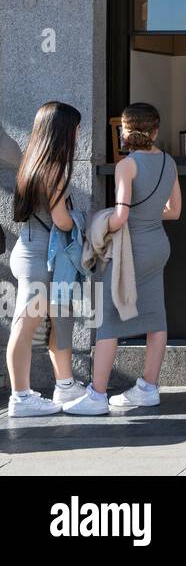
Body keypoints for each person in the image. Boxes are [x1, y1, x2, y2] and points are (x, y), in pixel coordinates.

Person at [64, 103, 182, 415]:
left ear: (125, 132)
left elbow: (120, 216)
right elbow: (175, 211)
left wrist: (98, 221)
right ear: (155, 130)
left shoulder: (126, 166)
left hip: (131, 249)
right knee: (156, 317)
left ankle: (97, 395)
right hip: (157, 245)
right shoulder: (169, 162)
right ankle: (148, 388)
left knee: (107, 317)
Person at [6, 102, 86, 416]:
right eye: (76, 127)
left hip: (28, 253)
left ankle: (64, 386)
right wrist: (82, 219)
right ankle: (21, 397)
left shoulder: (31, 163)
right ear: (63, 131)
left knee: (56, 320)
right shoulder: (56, 169)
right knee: (24, 328)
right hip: (42, 259)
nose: (78, 133)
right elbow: (62, 221)